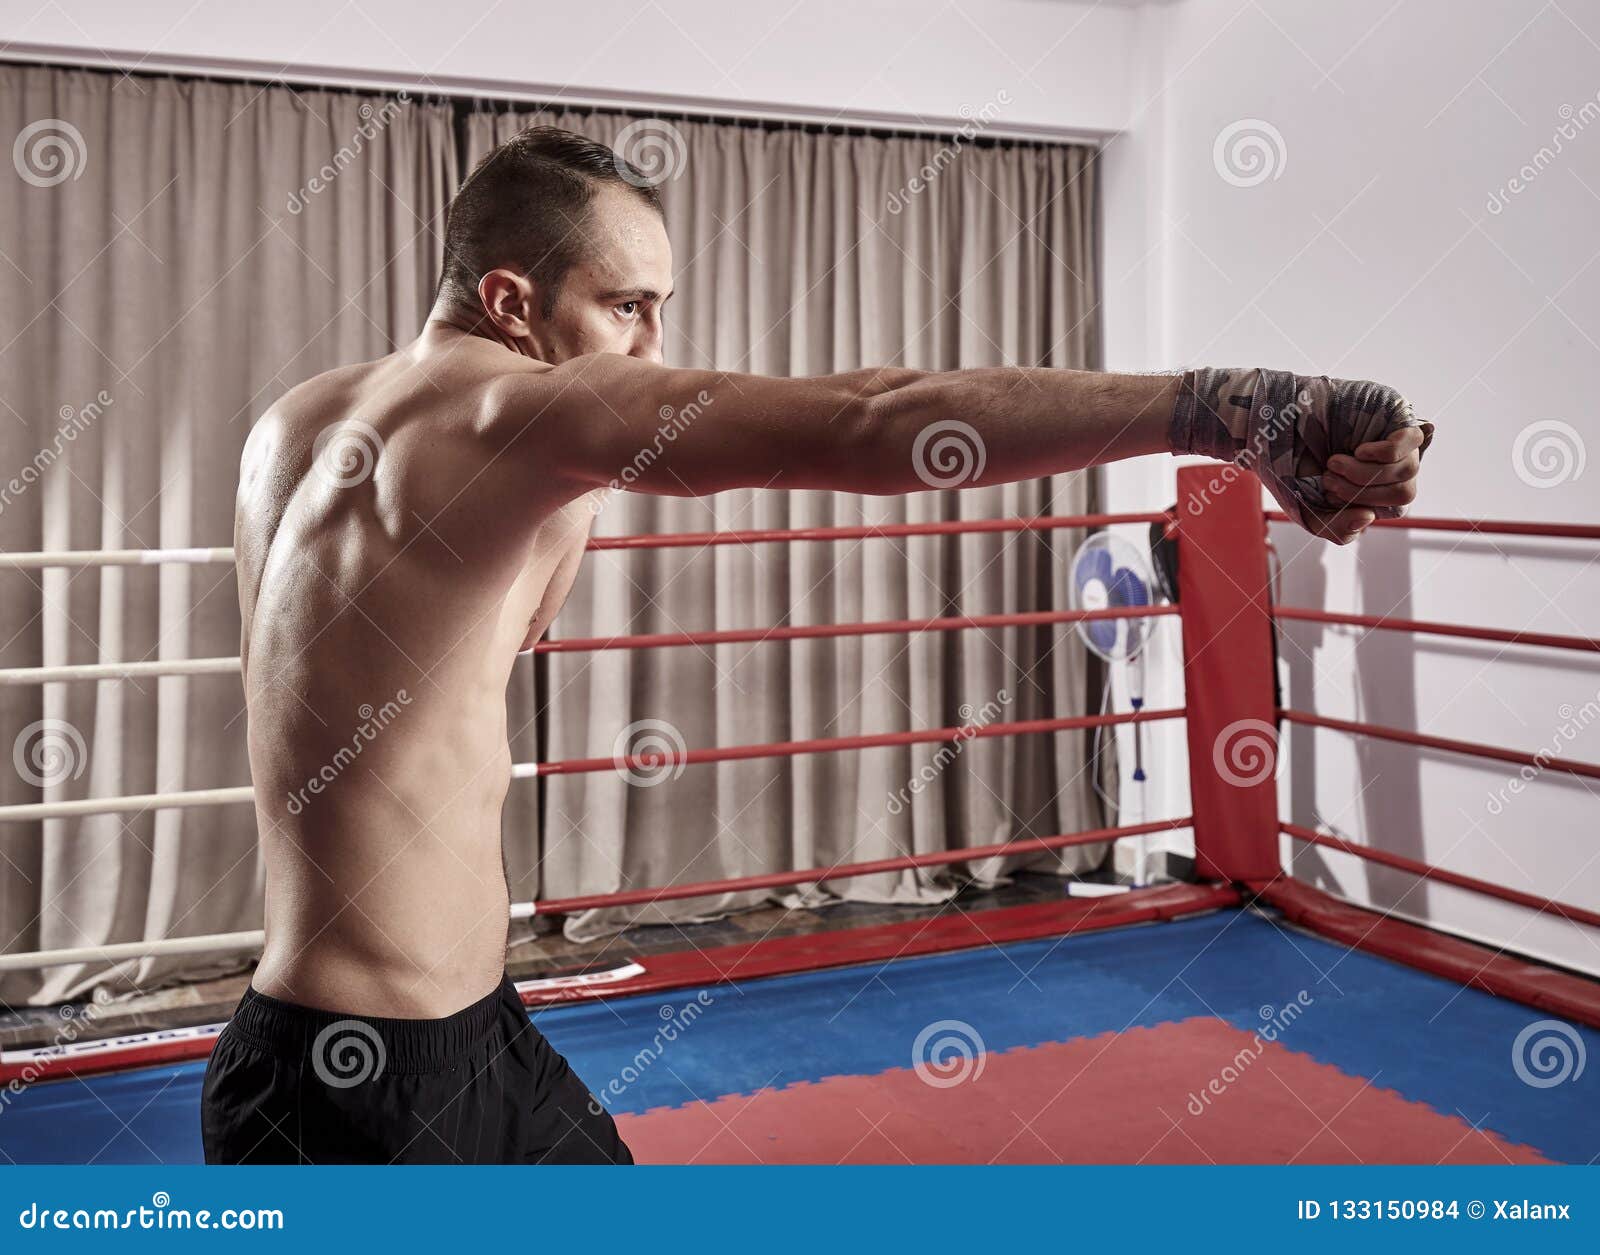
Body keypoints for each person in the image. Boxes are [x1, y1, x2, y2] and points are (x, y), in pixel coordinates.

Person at [202, 125, 1430, 1164]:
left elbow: (447, 639)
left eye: (661, 311)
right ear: (513, 301)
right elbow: (864, 421)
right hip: (371, 1100)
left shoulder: (293, 426)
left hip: (386, 1042)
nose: (650, 352)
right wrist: (1232, 407)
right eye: (625, 309)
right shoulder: (511, 409)